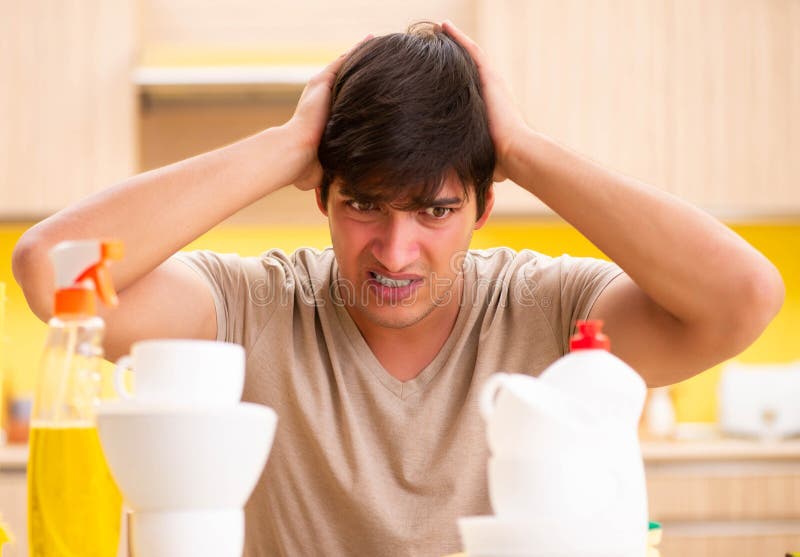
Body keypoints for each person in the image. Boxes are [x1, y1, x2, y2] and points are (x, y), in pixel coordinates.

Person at [13, 20, 784, 557]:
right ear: (320, 194)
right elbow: (51, 268)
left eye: (434, 209)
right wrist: (288, 144)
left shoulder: (546, 309)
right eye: (363, 204)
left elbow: (744, 295)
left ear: (485, 204)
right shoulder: (256, 306)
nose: (395, 249)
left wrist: (522, 147)